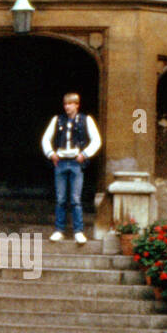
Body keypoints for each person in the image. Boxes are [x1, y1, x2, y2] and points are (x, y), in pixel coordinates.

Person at [40, 92, 101, 244]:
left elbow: (96, 140)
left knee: (75, 199)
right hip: (60, 162)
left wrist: (85, 154)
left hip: (76, 162)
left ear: (77, 105)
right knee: (61, 198)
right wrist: (51, 153)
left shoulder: (86, 120)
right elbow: (45, 139)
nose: (67, 107)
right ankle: (59, 230)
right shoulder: (57, 120)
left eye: (70, 104)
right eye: (65, 104)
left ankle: (78, 231)